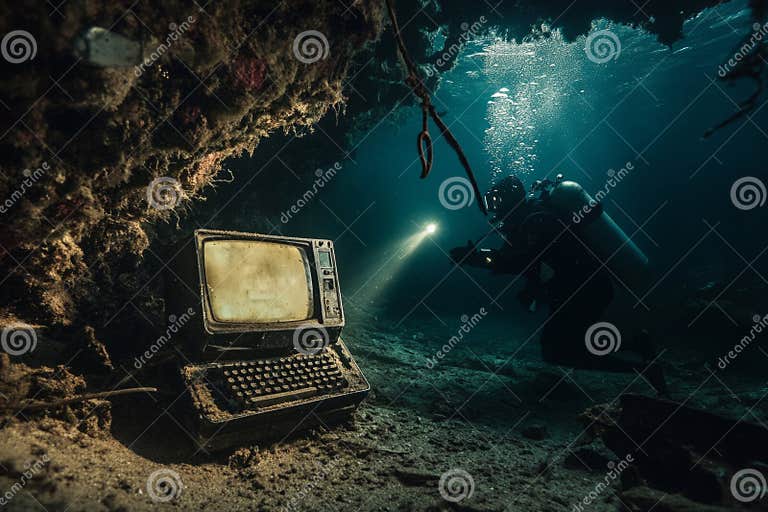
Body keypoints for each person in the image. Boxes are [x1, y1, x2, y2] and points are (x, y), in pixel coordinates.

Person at [450, 174, 667, 394]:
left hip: (582, 289)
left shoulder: (535, 220)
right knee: (571, 344)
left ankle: (643, 368)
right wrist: (479, 257)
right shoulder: (532, 219)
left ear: (511, 199)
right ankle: (637, 345)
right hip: (579, 288)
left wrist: (477, 258)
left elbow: (518, 261)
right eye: (490, 203)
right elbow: (520, 258)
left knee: (558, 352)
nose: (493, 209)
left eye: (496, 202)